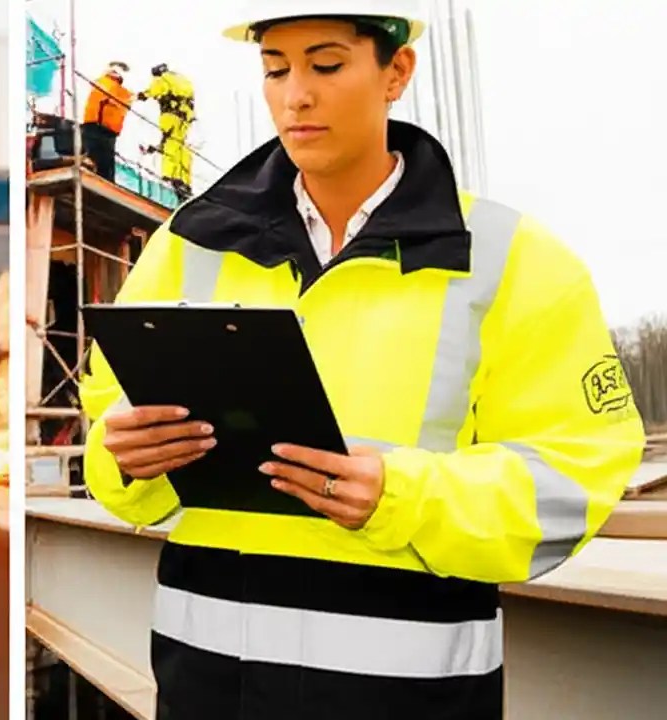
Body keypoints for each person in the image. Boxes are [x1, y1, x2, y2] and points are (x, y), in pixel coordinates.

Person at [79, 2, 644, 718]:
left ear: (396, 71)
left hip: (410, 699)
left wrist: (402, 495)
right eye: (275, 69)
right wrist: (125, 457)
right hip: (207, 690)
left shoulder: (514, 261)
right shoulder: (187, 246)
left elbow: (573, 479)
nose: (296, 95)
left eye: (326, 64)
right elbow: (108, 424)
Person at [137, 63, 195, 199]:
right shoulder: (180, 80)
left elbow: (153, 90)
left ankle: (169, 176)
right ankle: (183, 181)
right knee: (180, 146)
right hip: (184, 118)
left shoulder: (162, 79)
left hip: (170, 115)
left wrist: (141, 95)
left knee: (170, 143)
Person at [81, 61, 134, 181]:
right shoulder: (107, 84)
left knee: (103, 163)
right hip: (99, 127)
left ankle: (104, 180)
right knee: (100, 163)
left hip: (105, 129)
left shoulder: (109, 85)